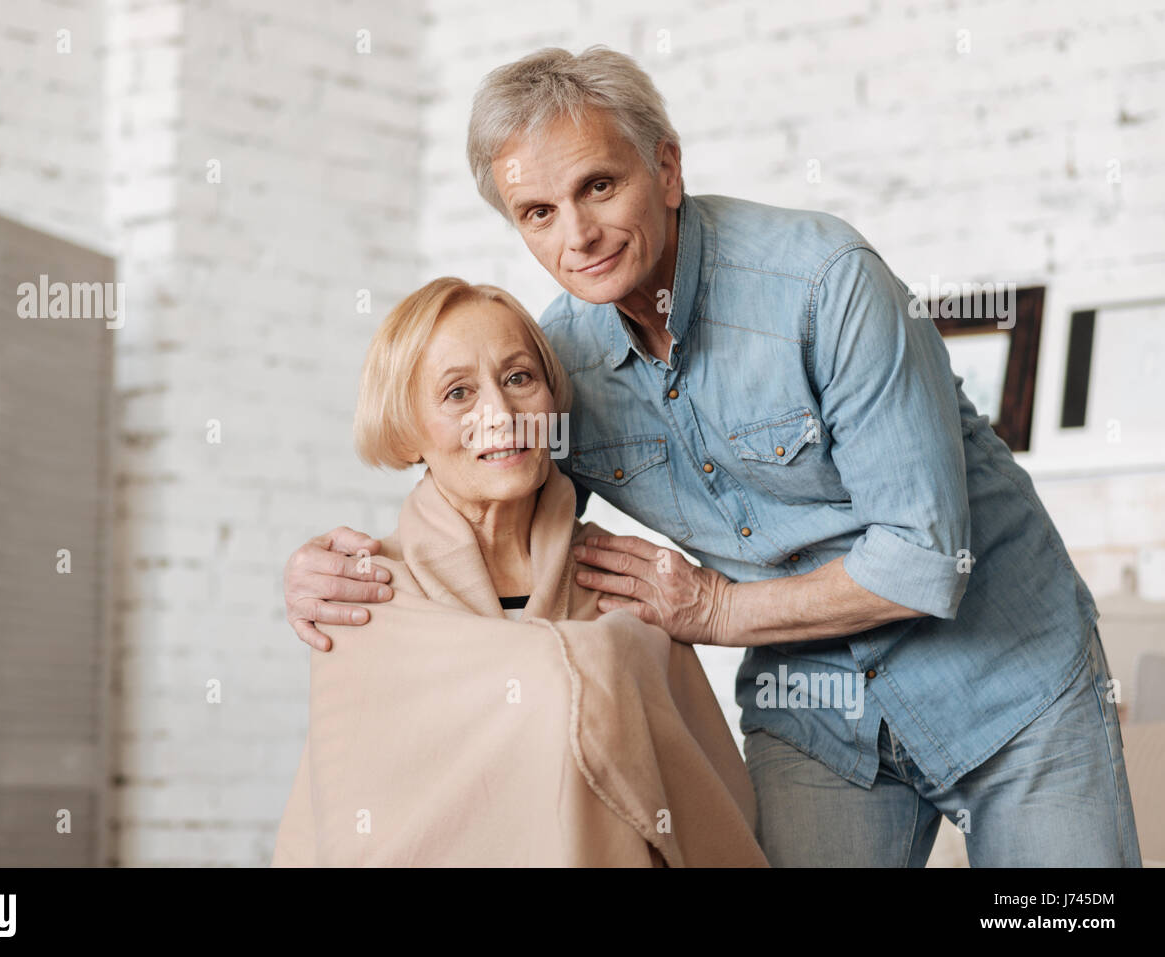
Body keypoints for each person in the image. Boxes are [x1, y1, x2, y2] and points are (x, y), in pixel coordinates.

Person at [284, 45, 1141, 867]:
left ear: (666, 168)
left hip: (1010, 677)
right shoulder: (554, 366)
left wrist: (718, 611)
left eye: (599, 186)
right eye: (538, 213)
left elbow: (922, 562)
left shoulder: (824, 283)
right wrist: (348, 569)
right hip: (814, 711)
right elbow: (502, 512)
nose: (576, 235)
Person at [272, 276, 766, 867]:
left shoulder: (632, 581)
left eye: (518, 379)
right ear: (407, 431)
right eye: (457, 393)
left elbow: (712, 811)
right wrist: (592, 665)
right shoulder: (365, 596)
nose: (501, 414)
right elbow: (351, 834)